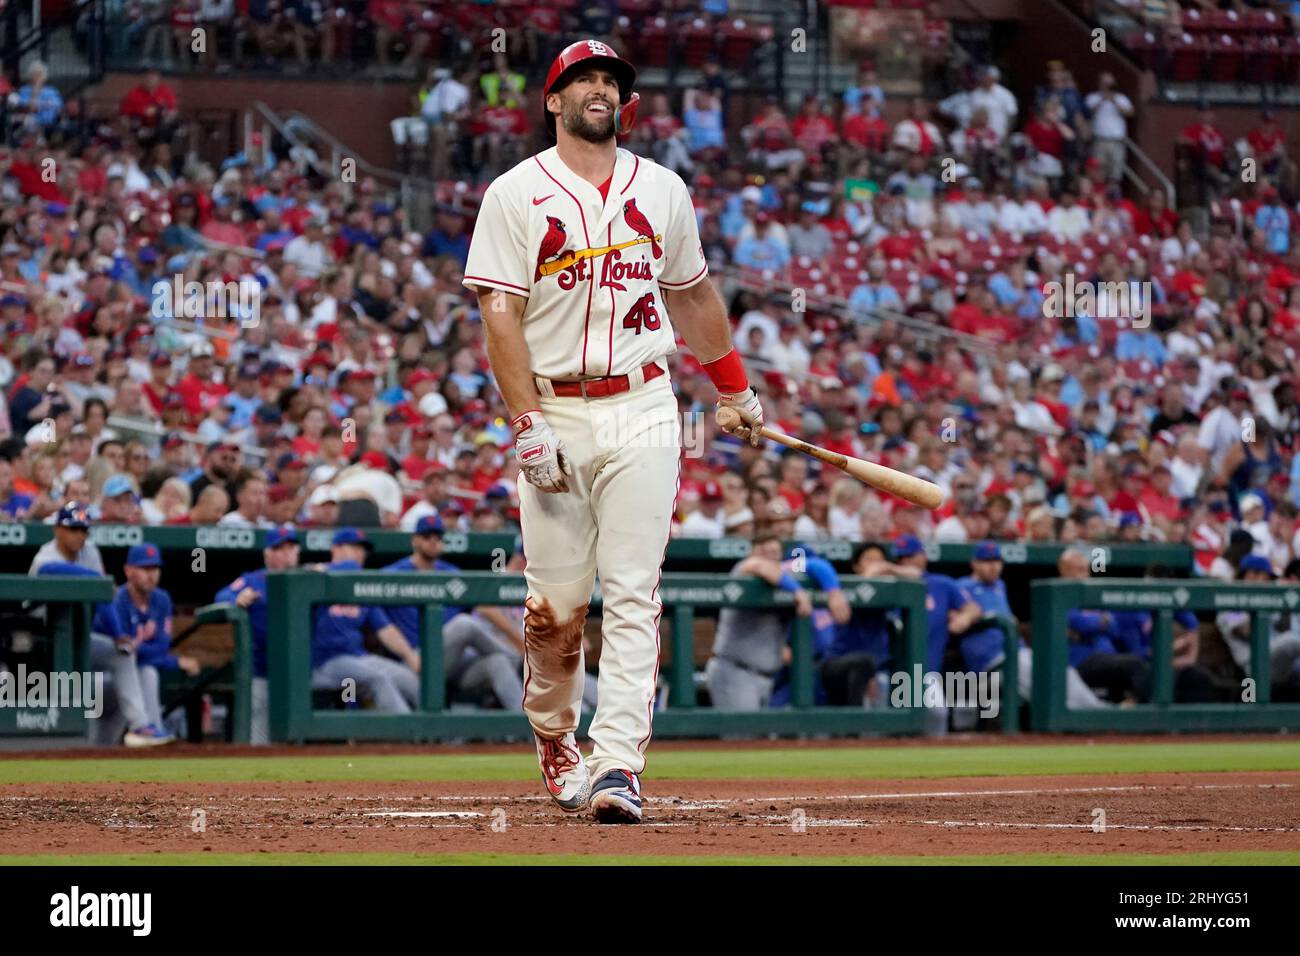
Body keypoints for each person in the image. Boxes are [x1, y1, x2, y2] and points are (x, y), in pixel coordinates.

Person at [462, 39, 766, 823]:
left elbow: (693, 297)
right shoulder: (514, 192)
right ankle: (556, 736)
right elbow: (501, 315)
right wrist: (525, 419)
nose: (598, 89)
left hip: (643, 402)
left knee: (634, 591)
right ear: (553, 102)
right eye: (582, 80)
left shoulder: (663, 190)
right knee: (557, 607)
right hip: (556, 406)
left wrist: (732, 387)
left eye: (609, 81)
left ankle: (619, 763)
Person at [29, 503, 173, 747]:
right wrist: (93, 577)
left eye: (84, 530)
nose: (80, 535)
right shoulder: (45, 555)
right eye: (73, 529)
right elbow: (49, 570)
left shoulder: (90, 552)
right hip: (40, 642)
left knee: (122, 653)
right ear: (57, 530)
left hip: (79, 639)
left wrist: (119, 635)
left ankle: (139, 728)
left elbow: (103, 595)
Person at [382, 516, 524, 709]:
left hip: (452, 661)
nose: (433, 541)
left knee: (497, 662)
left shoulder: (451, 573)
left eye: (438, 537)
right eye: (427, 536)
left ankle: (525, 725)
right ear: (414, 540)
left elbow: (483, 605)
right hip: (417, 660)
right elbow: (361, 594)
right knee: (464, 624)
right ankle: (524, 658)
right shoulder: (393, 574)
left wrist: (516, 639)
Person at [957, 541, 1107, 712]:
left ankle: (1097, 710)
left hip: (1016, 653)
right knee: (1036, 675)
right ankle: (1076, 715)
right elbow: (955, 619)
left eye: (997, 561)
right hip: (991, 661)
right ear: (974, 563)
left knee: (1059, 667)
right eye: (987, 561)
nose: (994, 567)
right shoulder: (962, 587)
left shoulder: (1000, 586)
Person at [308, 529, 422, 712]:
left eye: (362, 549)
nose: (359, 553)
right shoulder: (319, 577)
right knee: (375, 679)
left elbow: (386, 629)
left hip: (357, 659)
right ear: (335, 549)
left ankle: (442, 737)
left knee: (409, 680)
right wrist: (326, 569)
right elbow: (307, 572)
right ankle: (407, 733)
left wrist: (410, 656)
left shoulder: (360, 585)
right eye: (353, 547)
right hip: (325, 662)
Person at [214, 525, 301, 745]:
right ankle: (258, 767)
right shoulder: (254, 580)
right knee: (258, 708)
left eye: (291, 548)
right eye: (280, 549)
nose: (287, 554)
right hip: (260, 669)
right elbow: (221, 596)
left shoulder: (308, 577)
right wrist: (237, 598)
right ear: (267, 554)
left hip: (297, 672)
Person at [705, 533, 812, 710]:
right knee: (742, 735)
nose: (769, 556)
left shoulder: (782, 580)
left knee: (758, 736)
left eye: (775, 551)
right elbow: (757, 565)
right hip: (735, 671)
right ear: (751, 552)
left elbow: (815, 567)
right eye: (763, 551)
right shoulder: (744, 570)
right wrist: (798, 591)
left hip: (765, 678)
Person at [112, 543, 201, 738]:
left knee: (149, 673)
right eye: (144, 568)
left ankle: (152, 734)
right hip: (108, 673)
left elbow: (161, 647)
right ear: (128, 571)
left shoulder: (162, 599)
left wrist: (141, 649)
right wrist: (175, 662)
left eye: (155, 568)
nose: (151, 574)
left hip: (142, 670)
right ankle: (149, 732)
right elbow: (123, 651)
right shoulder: (117, 600)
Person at [1217, 555, 1300, 697]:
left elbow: (1285, 627)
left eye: (1267, 578)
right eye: (1259, 576)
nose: (1265, 581)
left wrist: (1284, 599)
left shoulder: (1272, 601)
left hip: (1282, 663)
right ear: (1246, 576)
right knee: (1291, 641)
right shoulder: (1230, 607)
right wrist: (1268, 603)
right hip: (1254, 665)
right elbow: (1246, 631)